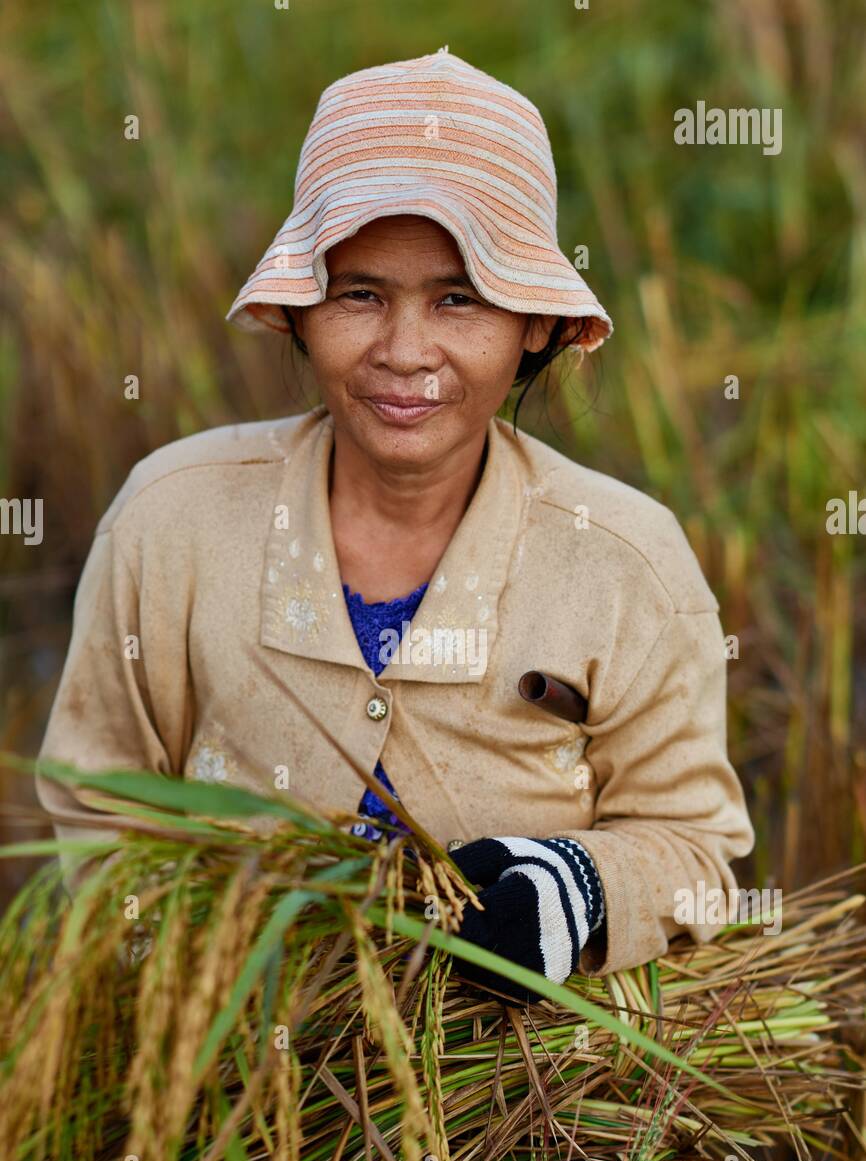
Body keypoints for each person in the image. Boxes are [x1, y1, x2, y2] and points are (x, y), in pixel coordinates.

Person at [35, 48, 754, 997]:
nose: (406, 353)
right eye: (358, 294)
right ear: (300, 311)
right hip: (232, 1092)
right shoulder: (174, 519)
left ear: (535, 323)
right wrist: (188, 982)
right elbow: (101, 795)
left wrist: (576, 889)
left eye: (459, 298)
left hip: (526, 1107)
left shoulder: (626, 563)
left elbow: (698, 856)